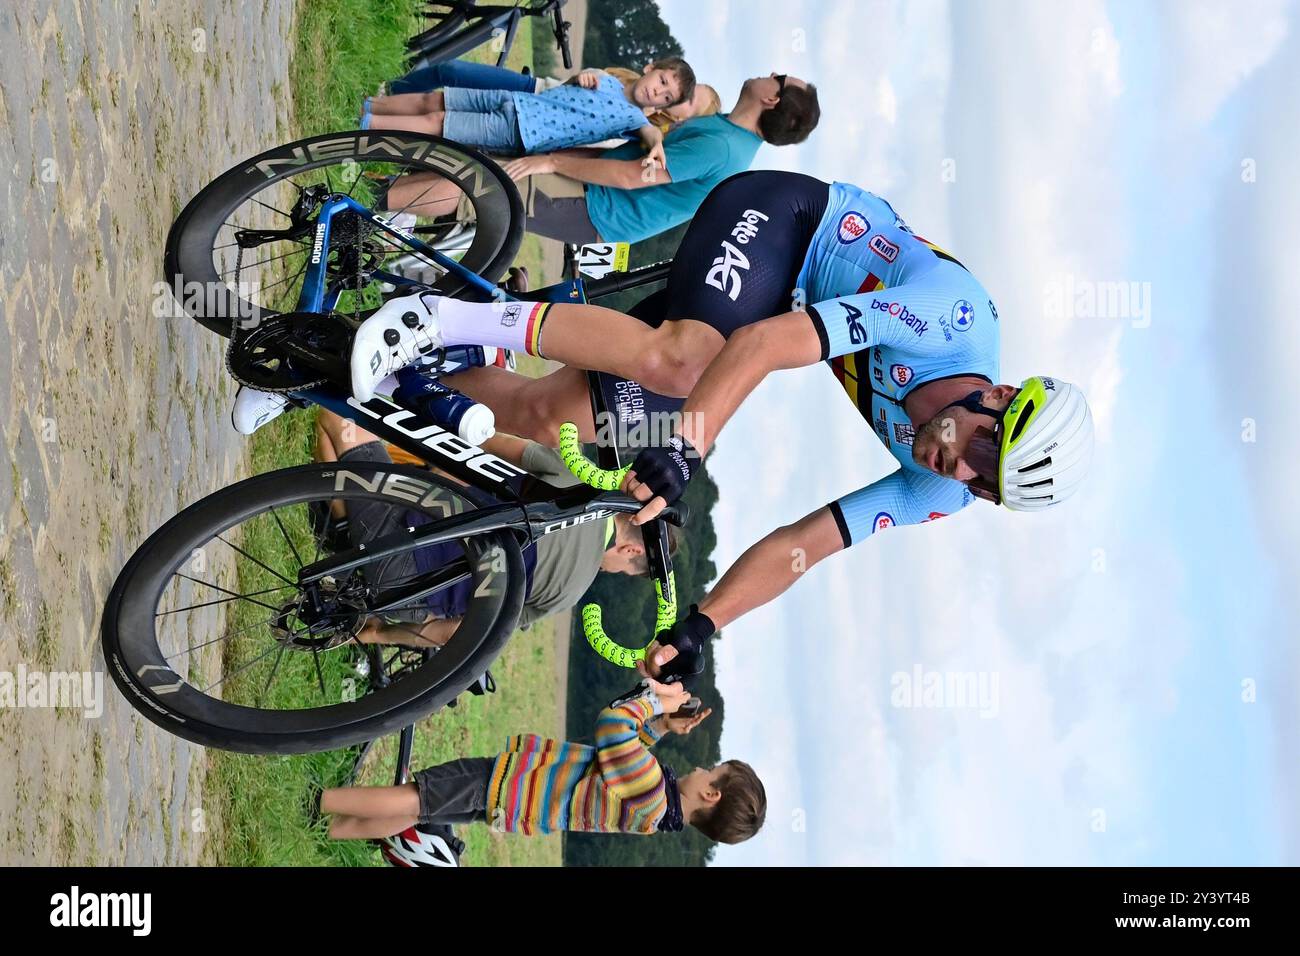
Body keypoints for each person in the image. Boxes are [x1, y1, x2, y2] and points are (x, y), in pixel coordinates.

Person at [339, 169, 1096, 681]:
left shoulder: (944, 489)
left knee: (548, 415)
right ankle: (436, 318)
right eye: (985, 449)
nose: (961, 469)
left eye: (983, 486)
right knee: (681, 366)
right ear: (997, 396)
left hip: (769, 310)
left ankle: (345, 371)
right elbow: (763, 346)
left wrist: (703, 625)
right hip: (788, 226)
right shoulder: (949, 321)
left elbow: (808, 544)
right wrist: (689, 449)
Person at [307, 407, 677, 648]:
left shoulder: (577, 480)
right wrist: (379, 634)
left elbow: (481, 443)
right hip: (403, 600)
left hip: (400, 533)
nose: (613, 571)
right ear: (632, 551)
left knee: (336, 418)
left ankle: (343, 525)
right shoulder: (568, 594)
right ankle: (346, 536)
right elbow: (458, 632)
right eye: (626, 572)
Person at [320, 675, 765, 856]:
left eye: (713, 770)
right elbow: (618, 763)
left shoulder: (652, 793)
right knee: (420, 811)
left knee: (418, 796)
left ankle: (319, 802)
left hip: (512, 785)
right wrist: (664, 724)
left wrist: (652, 699)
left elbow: (613, 730)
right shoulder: (655, 809)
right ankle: (327, 828)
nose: (704, 767)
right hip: (518, 802)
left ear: (711, 793)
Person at [378, 72, 820, 244]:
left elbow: (632, 177)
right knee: (477, 175)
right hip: (593, 189)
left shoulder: (722, 146)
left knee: (476, 185)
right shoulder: (726, 132)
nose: (768, 72)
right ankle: (373, 199)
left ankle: (365, 207)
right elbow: (640, 147)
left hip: (599, 204)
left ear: (771, 96)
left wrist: (552, 162)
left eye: (777, 76)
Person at [362, 59, 696, 171]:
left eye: (666, 96)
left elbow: (649, 134)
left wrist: (657, 145)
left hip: (519, 131)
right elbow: (562, 91)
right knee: (435, 101)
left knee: (440, 124)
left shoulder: (633, 121)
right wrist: (577, 78)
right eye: (662, 81)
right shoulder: (605, 79)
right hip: (515, 100)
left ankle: (366, 127)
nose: (657, 91)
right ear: (650, 68)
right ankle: (368, 105)